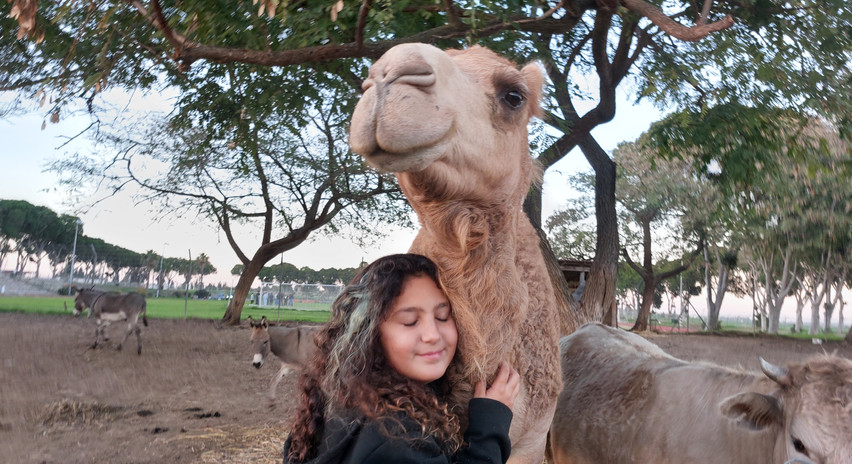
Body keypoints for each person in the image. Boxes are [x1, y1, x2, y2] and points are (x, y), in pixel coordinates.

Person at [284, 253, 520, 464]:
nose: (432, 335)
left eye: (442, 316)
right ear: (369, 335)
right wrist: (490, 428)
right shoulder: (398, 440)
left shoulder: (329, 407)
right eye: (410, 321)